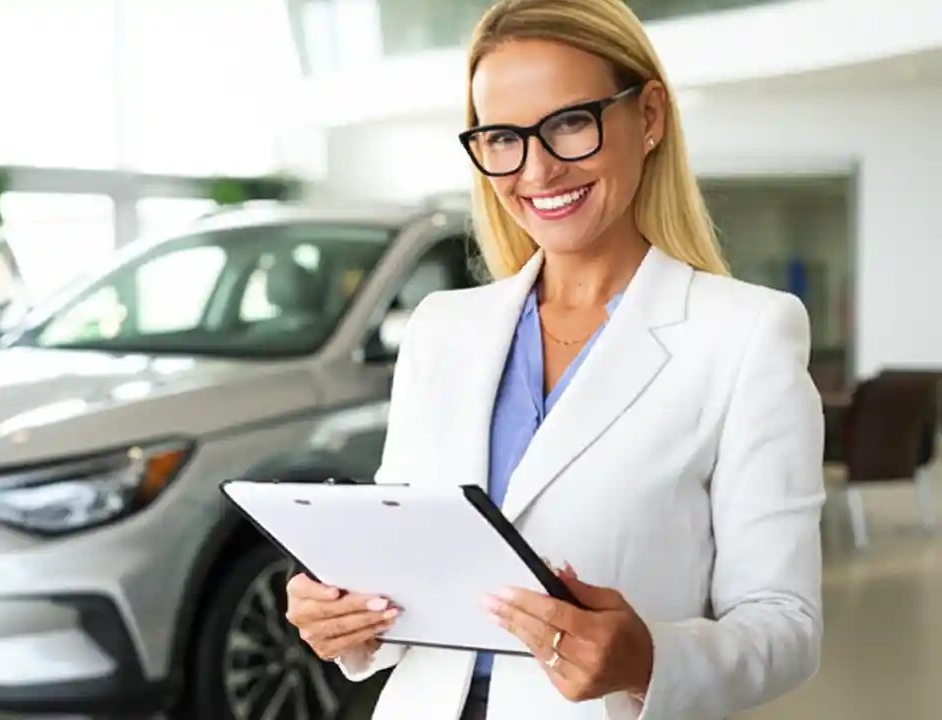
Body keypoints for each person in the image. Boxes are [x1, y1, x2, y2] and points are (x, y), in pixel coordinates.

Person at [282, 0, 825, 718]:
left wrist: (649, 658)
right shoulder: (441, 330)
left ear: (650, 116)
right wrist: (344, 616)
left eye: (570, 123)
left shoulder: (746, 334)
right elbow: (401, 560)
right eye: (502, 137)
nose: (535, 170)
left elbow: (785, 623)